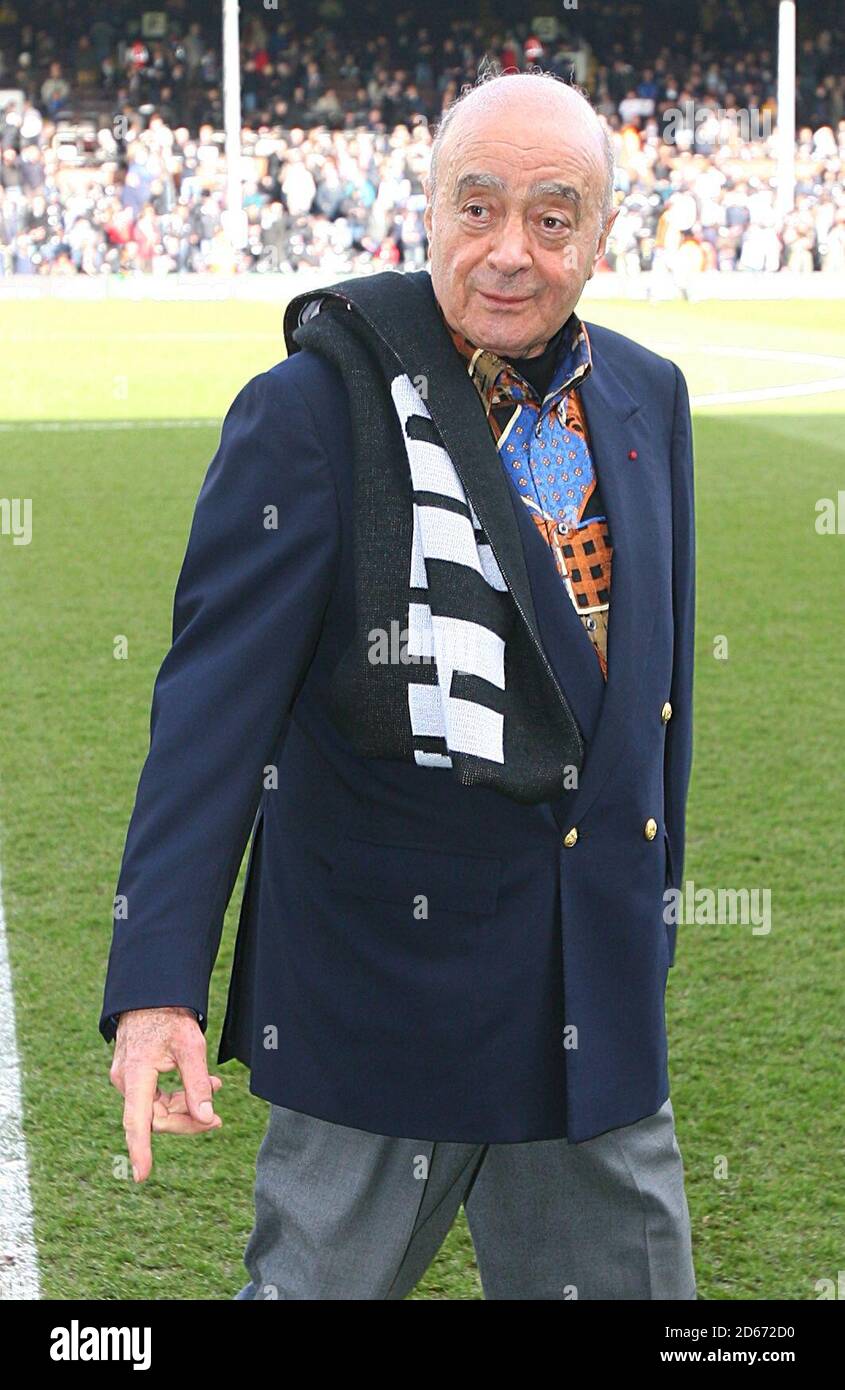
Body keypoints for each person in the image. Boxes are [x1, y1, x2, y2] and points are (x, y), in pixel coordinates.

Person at [100, 68, 697, 1301]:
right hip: (386, 1004)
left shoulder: (647, 397)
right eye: (474, 208)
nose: (509, 253)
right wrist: (158, 980)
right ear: (422, 210)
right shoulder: (311, 413)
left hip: (589, 1015)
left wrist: (649, 914)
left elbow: (653, 697)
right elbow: (210, 715)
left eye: (550, 216)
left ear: (599, 235)